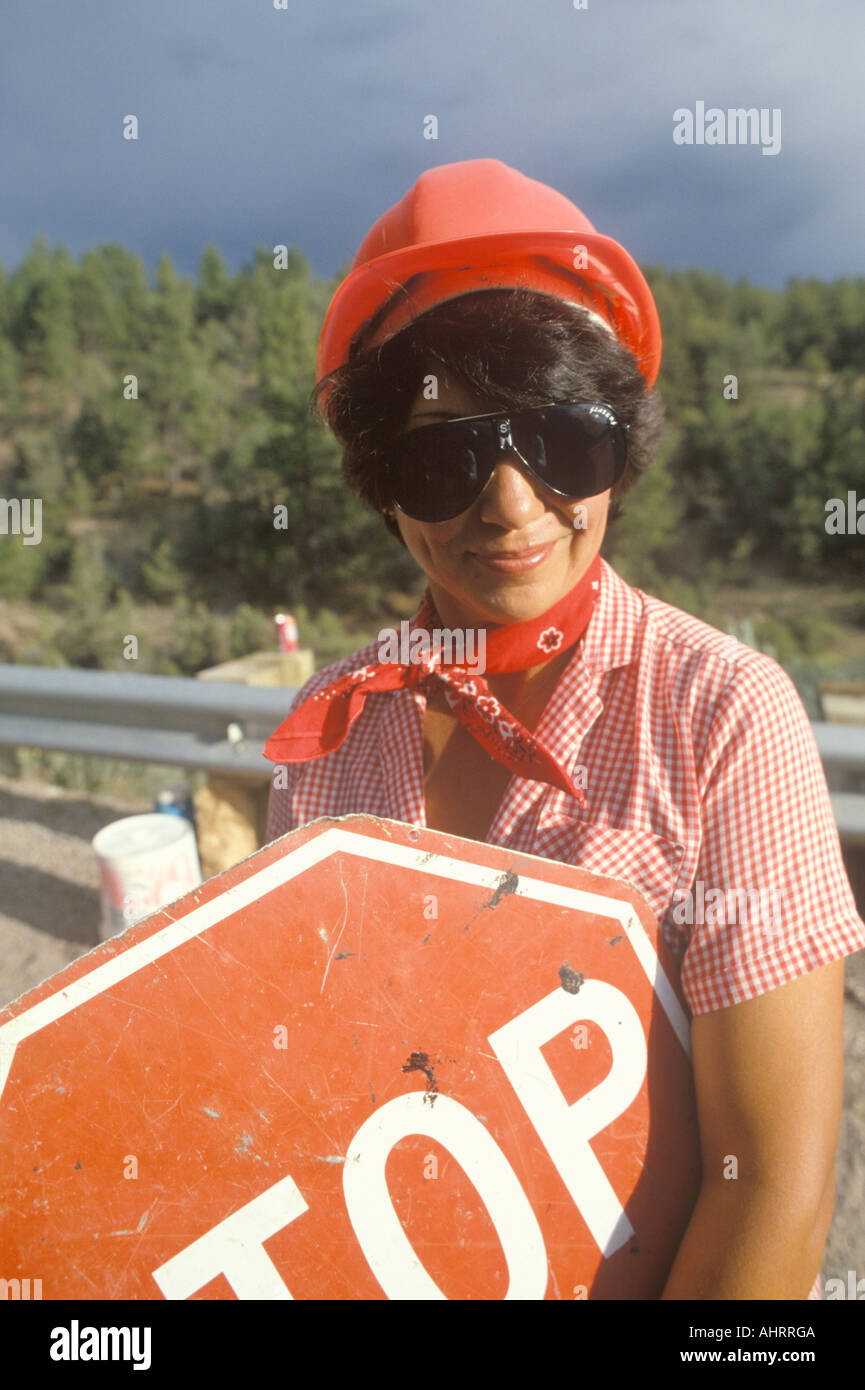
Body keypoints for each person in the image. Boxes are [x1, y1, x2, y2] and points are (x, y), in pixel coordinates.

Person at [264, 157, 865, 1299]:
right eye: (445, 454)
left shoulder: (723, 716)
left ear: (623, 450)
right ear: (380, 483)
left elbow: (770, 1183)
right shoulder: (328, 740)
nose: (508, 503)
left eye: (562, 440)